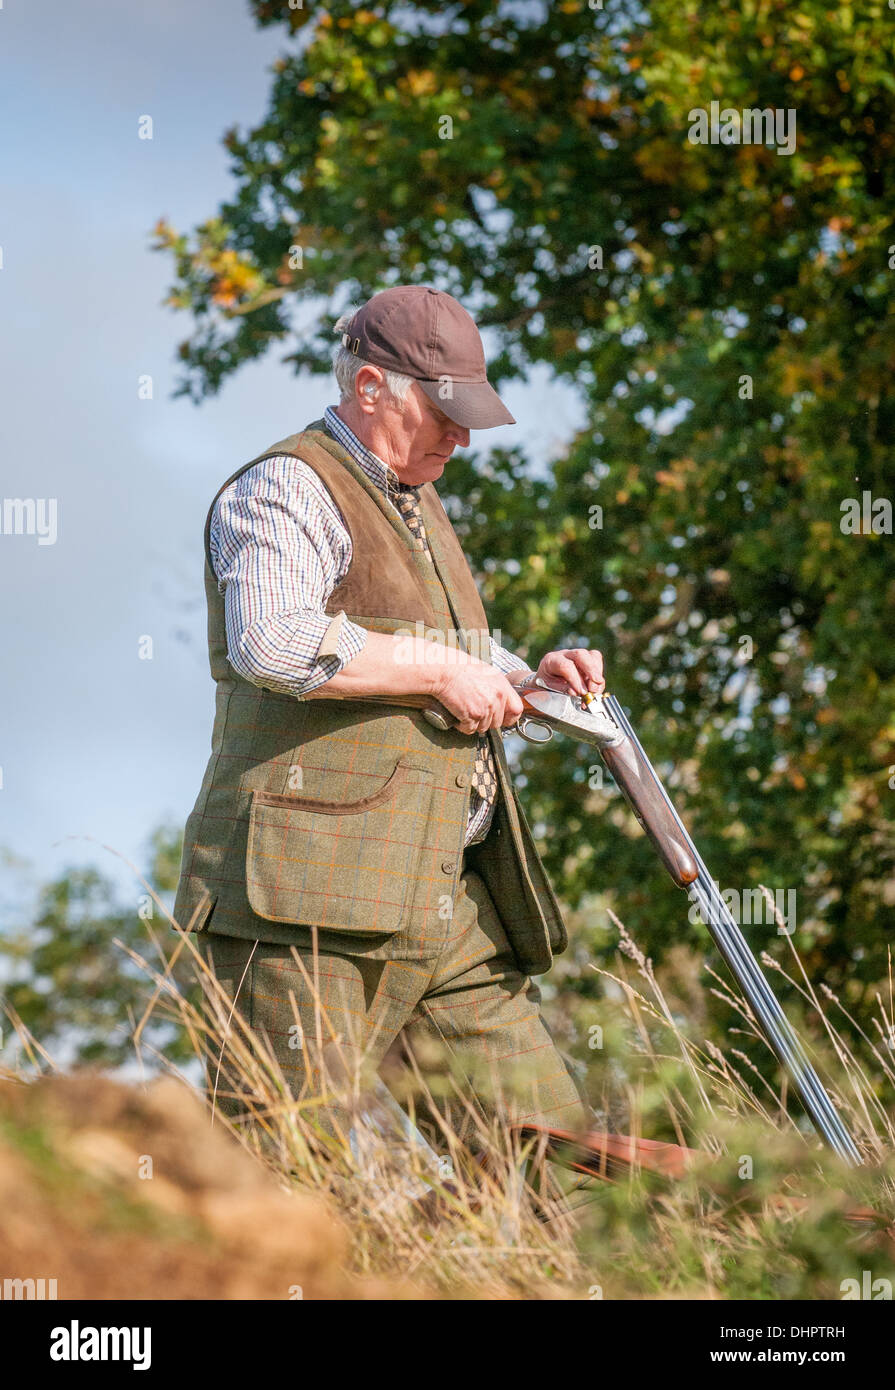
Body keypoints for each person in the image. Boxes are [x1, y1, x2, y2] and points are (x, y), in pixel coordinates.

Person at [174, 285, 605, 1147]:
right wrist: (445, 670)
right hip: (301, 908)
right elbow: (273, 641)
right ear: (370, 386)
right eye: (443, 412)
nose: (463, 436)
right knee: (286, 1164)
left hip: (443, 897)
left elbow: (417, 639)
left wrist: (527, 677)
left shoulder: (415, 492)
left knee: (554, 1160)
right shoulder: (285, 486)